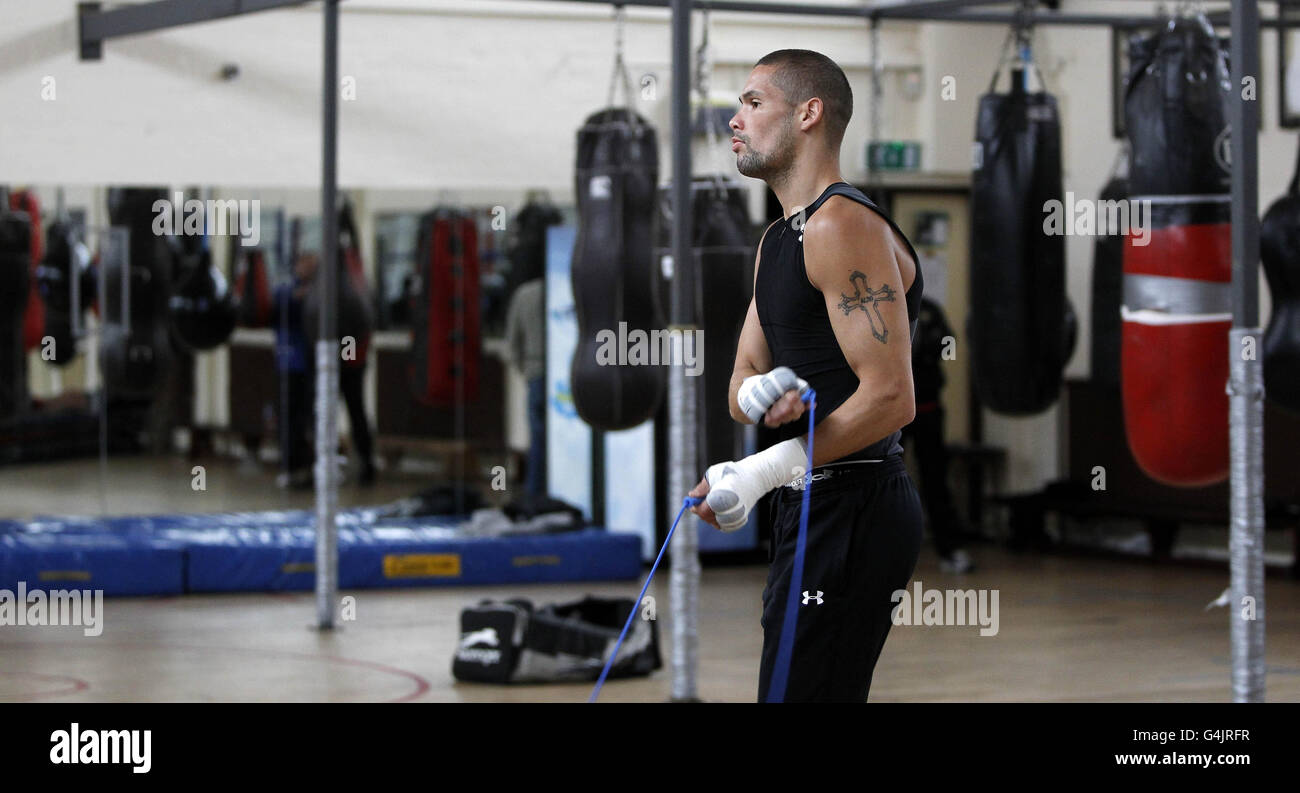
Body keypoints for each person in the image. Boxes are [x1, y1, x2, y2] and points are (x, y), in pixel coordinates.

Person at [689, 49, 925, 702]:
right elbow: (739, 381)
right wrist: (757, 395)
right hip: (809, 500)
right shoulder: (777, 239)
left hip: (855, 502)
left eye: (753, 102)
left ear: (809, 113)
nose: (735, 119)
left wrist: (762, 471)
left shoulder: (840, 223)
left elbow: (891, 397)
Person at [902, 297, 975, 573]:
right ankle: (879, 552)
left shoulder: (929, 309)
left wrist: (931, 344)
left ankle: (950, 549)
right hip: (891, 413)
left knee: (935, 479)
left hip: (927, 409)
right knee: (883, 482)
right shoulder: (878, 301)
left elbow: (949, 348)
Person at [271, 253, 315, 490]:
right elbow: (276, 307)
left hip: (308, 366)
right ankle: (289, 466)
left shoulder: (319, 291)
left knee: (305, 418)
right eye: (304, 263)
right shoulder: (285, 291)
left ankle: (306, 466)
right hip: (288, 363)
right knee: (287, 418)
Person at [505, 277, 546, 498]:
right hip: (566, 374)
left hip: (535, 371)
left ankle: (534, 491)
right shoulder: (564, 288)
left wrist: (527, 368)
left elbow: (512, 342)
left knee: (537, 437)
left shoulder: (524, 294)